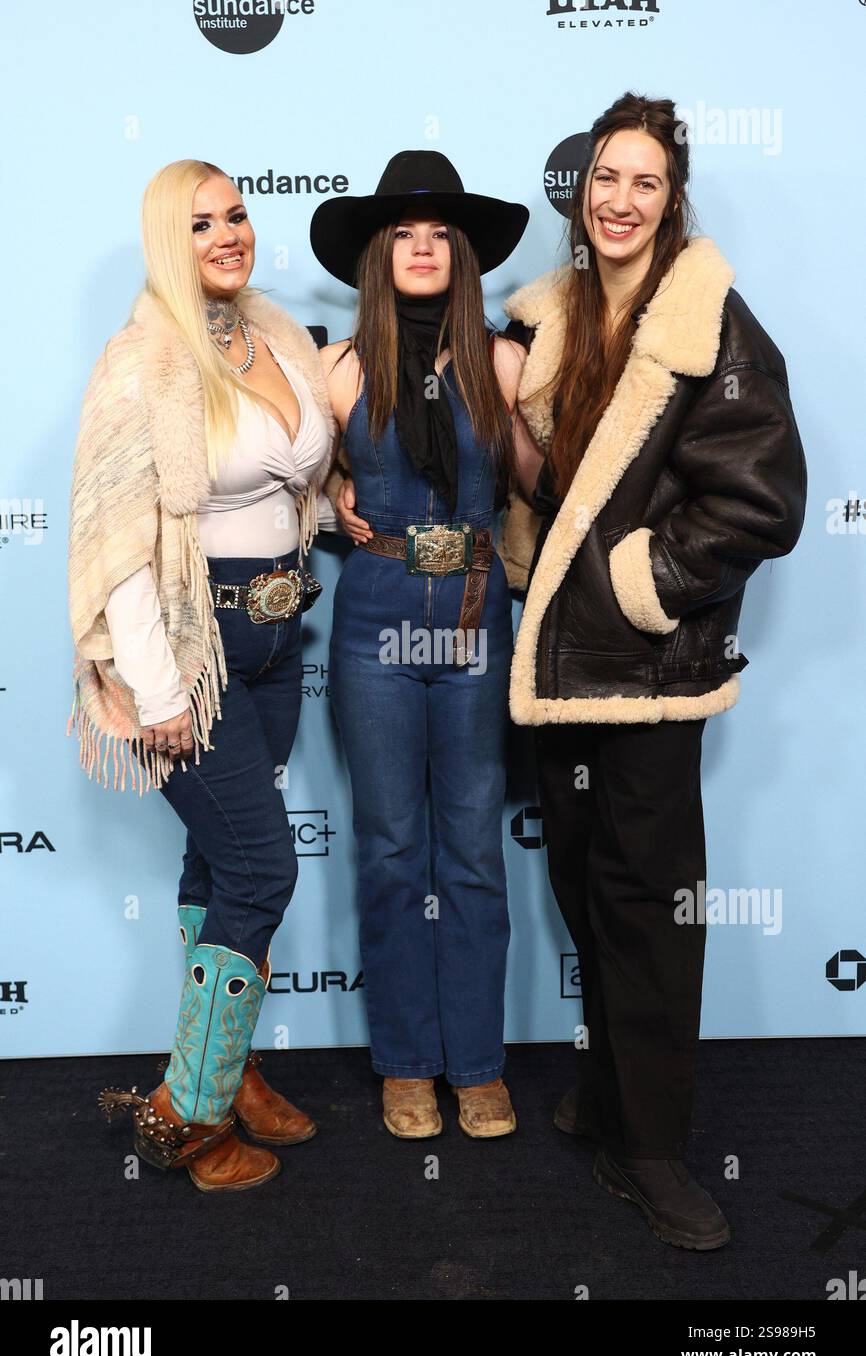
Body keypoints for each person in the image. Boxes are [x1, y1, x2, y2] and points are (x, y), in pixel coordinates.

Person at [501, 94, 807, 1248]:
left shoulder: (710, 325)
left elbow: (759, 501)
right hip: (561, 669)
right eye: (604, 180)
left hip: (643, 672)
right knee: (583, 891)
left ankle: (655, 1151)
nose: (620, 200)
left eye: (643, 182)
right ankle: (608, 1102)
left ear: (671, 196)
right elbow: (558, 487)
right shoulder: (564, 317)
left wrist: (638, 584)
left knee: (650, 914)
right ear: (581, 196)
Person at [67, 160, 336, 1191]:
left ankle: (239, 1073)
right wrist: (159, 686)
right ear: (162, 242)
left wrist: (337, 506)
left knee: (219, 867)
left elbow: (296, 477)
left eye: (235, 213)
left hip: (275, 646)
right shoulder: (144, 359)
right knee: (264, 870)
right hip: (190, 647)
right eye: (199, 223)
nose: (227, 234)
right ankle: (188, 1110)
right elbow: (120, 541)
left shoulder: (275, 337)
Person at [309, 150, 537, 1139]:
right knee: (393, 846)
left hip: (475, 613)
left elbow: (549, 483)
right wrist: (329, 495)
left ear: (463, 255)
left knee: (475, 852)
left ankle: (477, 1065)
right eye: (401, 233)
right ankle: (406, 1063)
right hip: (372, 619)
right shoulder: (341, 368)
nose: (419, 247)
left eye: (438, 233)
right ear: (374, 255)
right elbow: (284, 474)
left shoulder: (501, 360)